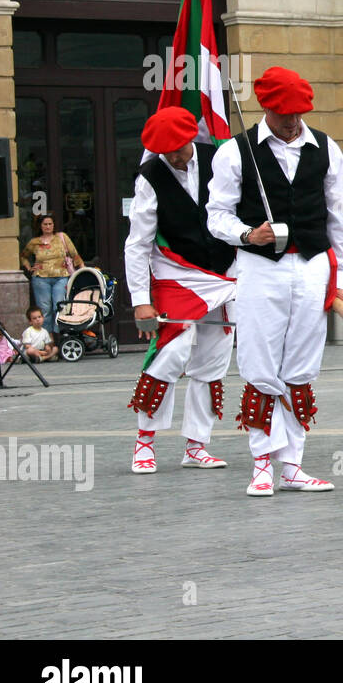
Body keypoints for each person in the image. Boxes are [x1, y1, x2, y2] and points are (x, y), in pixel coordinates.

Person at [207, 67, 343, 497]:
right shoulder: (235, 152)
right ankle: (261, 463)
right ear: (266, 108)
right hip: (260, 268)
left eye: (299, 113)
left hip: (312, 265)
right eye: (284, 113)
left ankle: (292, 463)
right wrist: (248, 234)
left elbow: (340, 220)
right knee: (259, 362)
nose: (293, 121)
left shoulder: (326, 148)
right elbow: (217, 214)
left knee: (302, 365)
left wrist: (340, 276)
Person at [126, 106, 237, 474]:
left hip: (225, 272)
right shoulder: (150, 176)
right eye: (166, 150)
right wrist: (141, 301)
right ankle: (145, 440)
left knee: (214, 357)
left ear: (193, 136)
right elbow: (137, 243)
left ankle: (196, 445)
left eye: (179, 146)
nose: (174, 155)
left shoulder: (218, 158)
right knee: (172, 350)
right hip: (178, 272)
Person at [20, 213, 84, 337]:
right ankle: (48, 340)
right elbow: (23, 256)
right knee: (44, 309)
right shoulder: (34, 242)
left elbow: (74, 254)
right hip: (40, 278)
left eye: (50, 224)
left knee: (59, 306)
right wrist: (29, 268)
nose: (48, 226)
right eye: (45, 224)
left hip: (61, 276)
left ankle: (60, 337)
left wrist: (82, 269)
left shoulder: (61, 237)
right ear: (40, 226)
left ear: (54, 225)